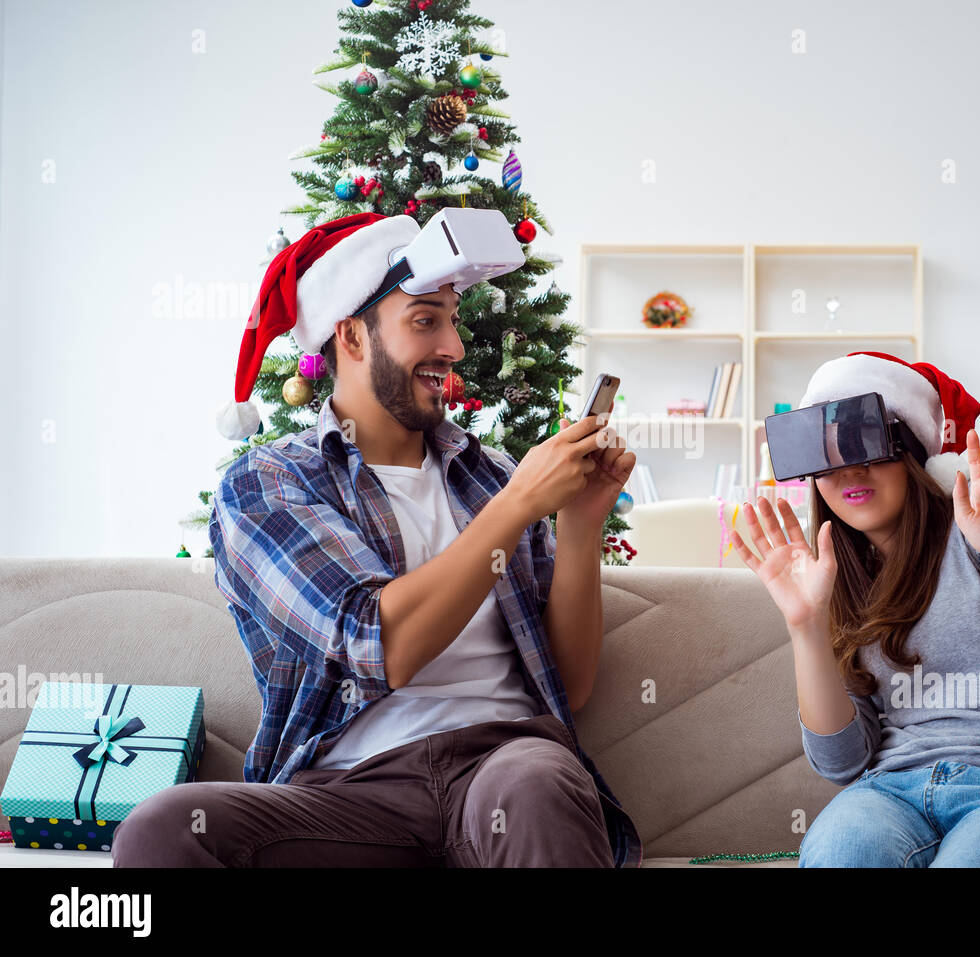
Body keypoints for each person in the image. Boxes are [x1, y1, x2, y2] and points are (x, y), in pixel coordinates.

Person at [111, 212, 642, 867]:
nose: (452, 345)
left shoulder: (491, 477)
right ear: (352, 335)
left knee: (538, 776)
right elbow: (378, 643)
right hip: (348, 798)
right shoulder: (268, 482)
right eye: (426, 320)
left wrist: (581, 523)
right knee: (161, 828)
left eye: (452, 318)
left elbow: (571, 683)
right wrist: (522, 503)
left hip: (502, 771)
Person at [730, 351, 980, 867]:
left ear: (911, 451)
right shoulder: (831, 571)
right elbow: (841, 762)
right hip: (891, 792)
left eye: (866, 444)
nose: (851, 470)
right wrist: (806, 626)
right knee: (842, 854)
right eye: (828, 454)